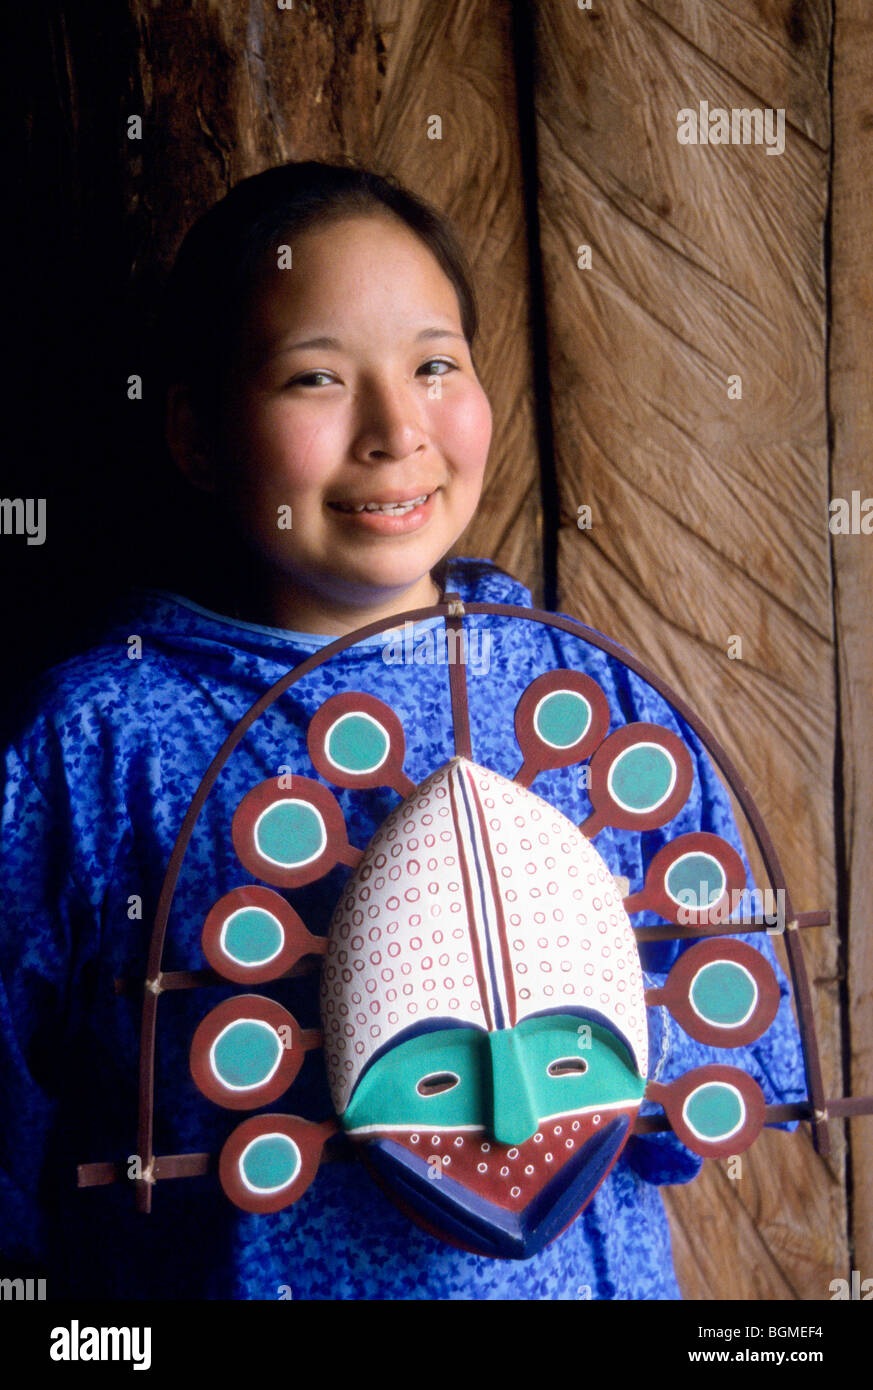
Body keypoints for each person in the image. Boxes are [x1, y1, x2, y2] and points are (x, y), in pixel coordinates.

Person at [0, 159, 805, 1300]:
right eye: (317, 378)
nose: (394, 429)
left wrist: (582, 1051)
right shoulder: (96, 743)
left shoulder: (587, 691)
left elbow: (738, 1059)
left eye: (435, 365)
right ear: (193, 432)